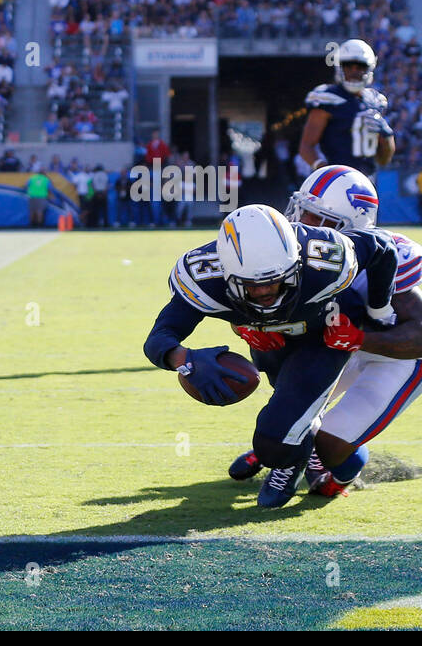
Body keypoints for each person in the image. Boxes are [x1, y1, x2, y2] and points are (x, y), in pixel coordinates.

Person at [141, 204, 401, 508]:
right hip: (270, 344)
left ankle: (289, 459)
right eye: (252, 285)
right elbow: (158, 338)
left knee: (273, 440)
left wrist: (379, 311)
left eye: (277, 279)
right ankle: (296, 443)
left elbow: (382, 247)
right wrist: (184, 359)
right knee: (289, 416)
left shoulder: (325, 254)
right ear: (227, 273)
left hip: (323, 337)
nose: (266, 291)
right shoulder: (205, 276)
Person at [228, 166, 422, 498]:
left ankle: (336, 474)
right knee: (291, 398)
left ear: (349, 228)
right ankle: (288, 452)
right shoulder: (292, 250)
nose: (299, 223)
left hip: (396, 356)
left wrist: (360, 339)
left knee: (330, 444)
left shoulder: (386, 255)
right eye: (300, 209)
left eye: (314, 217)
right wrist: (248, 327)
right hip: (339, 343)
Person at [299, 38, 395, 179]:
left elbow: (384, 160)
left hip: (367, 180)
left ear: (369, 69)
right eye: (348, 66)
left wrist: (387, 136)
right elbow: (306, 146)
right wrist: (325, 171)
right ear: (339, 67)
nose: (354, 71)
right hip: (334, 180)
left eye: (360, 66)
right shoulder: (327, 98)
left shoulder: (375, 101)